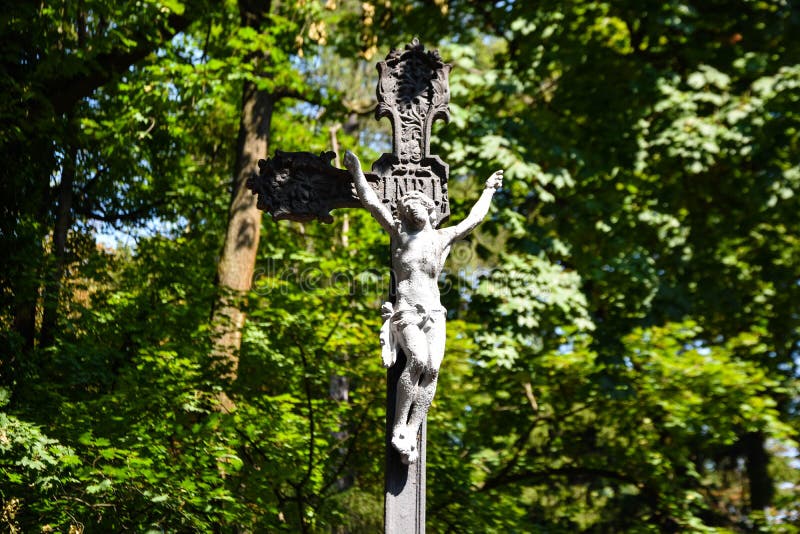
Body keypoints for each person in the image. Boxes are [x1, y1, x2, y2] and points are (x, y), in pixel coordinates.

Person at [344, 150, 503, 464]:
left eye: (414, 205)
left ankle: (412, 430)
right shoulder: (399, 236)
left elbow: (473, 220)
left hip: (435, 313)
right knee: (416, 361)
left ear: (429, 209)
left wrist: (487, 190)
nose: (408, 209)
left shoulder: (441, 238)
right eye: (405, 207)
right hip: (407, 311)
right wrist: (356, 171)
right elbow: (372, 202)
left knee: (432, 371)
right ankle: (399, 425)